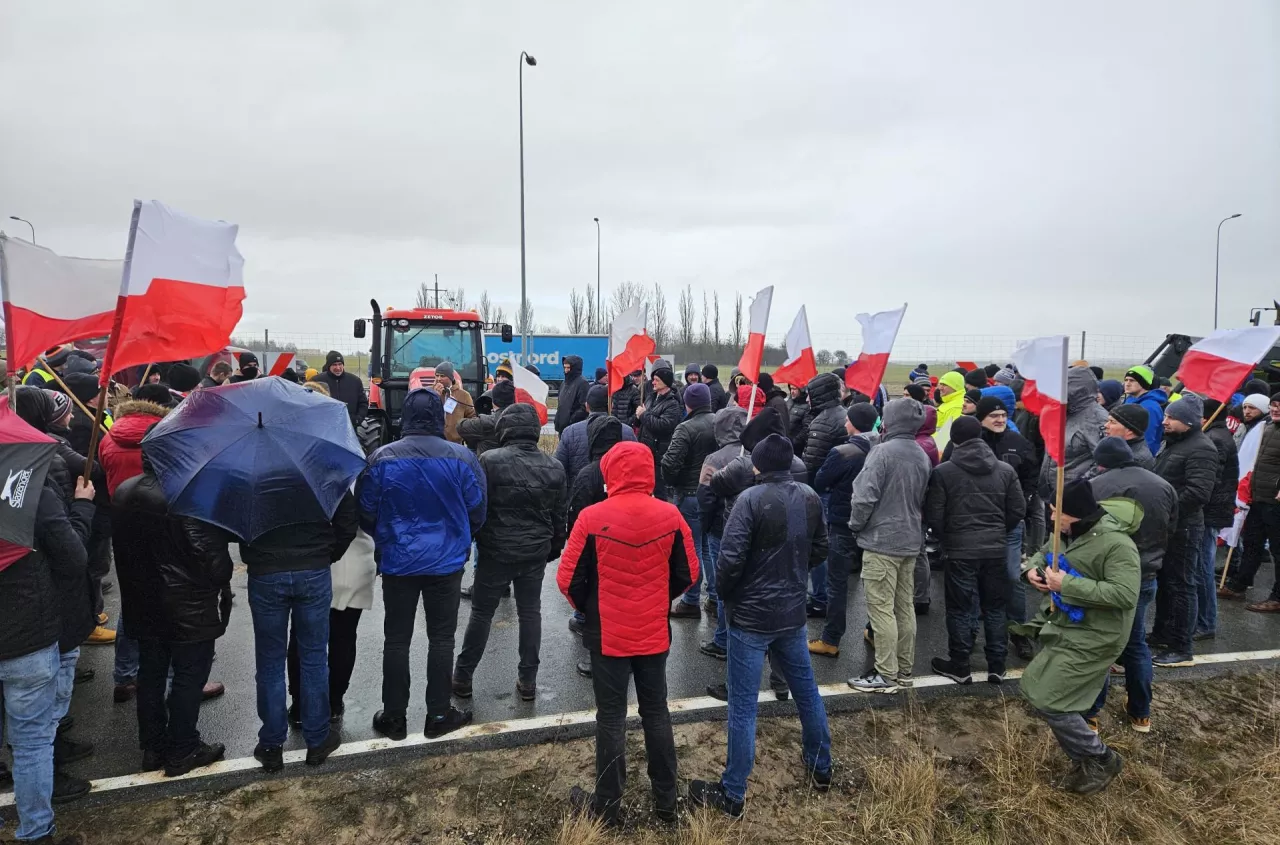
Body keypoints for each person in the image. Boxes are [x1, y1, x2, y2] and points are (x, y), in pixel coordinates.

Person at [688, 434, 831, 819]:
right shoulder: (808, 496)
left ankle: (733, 792)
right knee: (806, 691)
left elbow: (729, 562)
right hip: (791, 614)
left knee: (742, 705)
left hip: (750, 619)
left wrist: (727, 597)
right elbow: (820, 548)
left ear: (757, 466)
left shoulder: (750, 500)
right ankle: (821, 766)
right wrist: (794, 577)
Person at [559, 441, 698, 827]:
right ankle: (666, 802)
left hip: (608, 635)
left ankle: (607, 808)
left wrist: (591, 609)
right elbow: (689, 572)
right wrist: (659, 598)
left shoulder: (591, 517)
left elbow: (568, 579)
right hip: (653, 631)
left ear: (610, 473)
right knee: (656, 711)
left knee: (611, 717)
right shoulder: (670, 516)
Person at [359, 388, 486, 742]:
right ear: (438, 417)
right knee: (442, 638)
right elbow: (478, 509)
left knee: (396, 639)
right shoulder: (461, 459)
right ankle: (439, 713)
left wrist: (387, 538)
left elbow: (366, 510)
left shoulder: (381, 458)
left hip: (399, 561)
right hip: (445, 562)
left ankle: (395, 717)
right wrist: (460, 537)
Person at [1016, 479, 1140, 795]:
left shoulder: (1117, 545)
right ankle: (1086, 758)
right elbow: (1047, 552)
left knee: (1050, 700)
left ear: (1077, 513)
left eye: (1058, 512)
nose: (1053, 518)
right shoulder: (1070, 532)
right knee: (1035, 687)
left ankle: (1101, 759)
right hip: (1067, 627)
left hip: (1097, 636)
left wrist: (1066, 585)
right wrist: (1033, 568)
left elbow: (1125, 594)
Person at [112, 455, 233, 777]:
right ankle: (183, 748)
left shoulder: (124, 490)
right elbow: (215, 565)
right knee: (188, 677)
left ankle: (153, 746)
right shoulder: (190, 497)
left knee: (151, 675)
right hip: (187, 607)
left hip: (142, 602)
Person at [0, 468, 96, 841]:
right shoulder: (27, 486)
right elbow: (73, 556)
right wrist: (82, 508)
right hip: (27, 632)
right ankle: (37, 831)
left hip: (27, 630)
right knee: (32, 742)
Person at [241, 479, 357, 772]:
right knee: (314, 657)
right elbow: (347, 521)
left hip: (266, 570)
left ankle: (270, 743)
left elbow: (234, 524)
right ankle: (317, 739)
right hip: (313, 568)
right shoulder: (320, 469)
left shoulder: (249, 474)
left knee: (269, 661)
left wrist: (252, 553)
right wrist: (327, 554)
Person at [453, 404, 566, 701]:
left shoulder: (488, 460)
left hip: (495, 551)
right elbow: (559, 517)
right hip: (534, 552)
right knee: (530, 614)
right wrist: (551, 549)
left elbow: (476, 507)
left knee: (481, 614)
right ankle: (527, 680)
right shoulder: (554, 466)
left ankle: (463, 677)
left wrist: (478, 539)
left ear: (505, 429)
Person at [1086, 437, 1177, 733]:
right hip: (1146, 574)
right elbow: (1171, 526)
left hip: (1109, 576)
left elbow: (1086, 532)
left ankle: (1090, 713)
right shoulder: (1162, 485)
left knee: (1103, 643)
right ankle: (1140, 713)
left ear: (1102, 461)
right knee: (1135, 643)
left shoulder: (1097, 485)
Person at [926, 416, 1024, 685]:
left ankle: (960, 664)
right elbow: (1017, 510)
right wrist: (997, 532)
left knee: (959, 608)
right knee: (995, 607)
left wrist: (949, 538)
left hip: (960, 550)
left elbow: (935, 514)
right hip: (995, 548)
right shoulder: (1005, 470)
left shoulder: (944, 472)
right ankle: (997, 665)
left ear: (955, 440)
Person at [848, 398, 932, 694]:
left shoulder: (881, 452)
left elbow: (864, 496)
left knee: (881, 609)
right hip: (910, 540)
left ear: (890, 420)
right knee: (903, 607)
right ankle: (904, 671)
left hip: (882, 542)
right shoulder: (921, 454)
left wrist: (855, 525)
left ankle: (885, 674)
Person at [96, 397, 171, 703]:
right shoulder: (163, 434)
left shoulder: (107, 437)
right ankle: (173, 679)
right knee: (170, 601)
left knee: (131, 600)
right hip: (161, 519)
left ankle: (125, 675)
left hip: (122, 522)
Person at [286, 516, 376, 728]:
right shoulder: (358, 481)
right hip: (355, 558)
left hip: (310, 559)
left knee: (301, 637)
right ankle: (334, 701)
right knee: (344, 637)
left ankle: (301, 704)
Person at [1149, 394, 1219, 668]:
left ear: (1187, 422)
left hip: (1184, 527)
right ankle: (1163, 633)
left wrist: (1165, 510)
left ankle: (1181, 645)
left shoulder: (1202, 448)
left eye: (1171, 417)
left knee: (1182, 586)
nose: (1165, 421)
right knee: (1166, 583)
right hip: (1168, 525)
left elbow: (1198, 492)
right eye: (1166, 416)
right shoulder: (1175, 443)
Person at [809, 403, 879, 656]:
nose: (844, 423)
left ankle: (831, 639)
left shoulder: (843, 452)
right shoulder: (881, 449)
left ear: (854, 423)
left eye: (848, 419)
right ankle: (874, 631)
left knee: (837, 583)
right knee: (874, 581)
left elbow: (820, 480)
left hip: (843, 520)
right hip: (874, 522)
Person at [662, 382, 717, 618]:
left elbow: (670, 463)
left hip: (690, 494)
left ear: (688, 403)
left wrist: (672, 483)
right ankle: (715, 598)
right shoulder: (720, 422)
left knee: (692, 549)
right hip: (714, 493)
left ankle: (692, 600)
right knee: (708, 548)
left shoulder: (685, 428)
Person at [1221, 392, 1280, 610]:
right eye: (1273, 405)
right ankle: (1238, 585)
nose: (1275, 409)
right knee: (1252, 544)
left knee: (1277, 550)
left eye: (1279, 405)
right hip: (1257, 498)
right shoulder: (1267, 429)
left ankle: (1277, 597)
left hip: (1276, 501)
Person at [696, 405, 750, 627]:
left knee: (722, 582)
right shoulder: (755, 453)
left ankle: (721, 637)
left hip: (720, 527)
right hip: (749, 528)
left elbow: (705, 496)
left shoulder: (714, 459)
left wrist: (706, 525)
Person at [1196, 398, 1238, 640]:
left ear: (1205, 416)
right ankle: (1201, 620)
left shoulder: (1216, 439)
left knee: (1202, 569)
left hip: (1208, 514)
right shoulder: (1215, 434)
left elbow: (1211, 480)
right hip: (1209, 512)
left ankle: (1206, 622)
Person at [1039, 367, 1110, 500]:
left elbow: (1104, 462)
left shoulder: (1098, 419)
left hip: (1075, 498)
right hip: (1052, 494)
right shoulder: (1062, 413)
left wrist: (1078, 486)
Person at [553, 384, 636, 484]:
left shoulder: (570, 432)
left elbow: (559, 469)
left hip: (580, 492)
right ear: (611, 405)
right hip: (616, 492)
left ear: (587, 406)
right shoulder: (627, 431)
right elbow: (635, 466)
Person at [631, 364, 682, 499]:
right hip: (646, 450)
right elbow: (644, 419)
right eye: (653, 379)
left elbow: (663, 426)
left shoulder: (672, 404)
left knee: (660, 491)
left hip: (659, 454)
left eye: (657, 380)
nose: (653, 382)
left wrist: (643, 415)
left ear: (666, 383)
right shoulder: (651, 397)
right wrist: (637, 418)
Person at [458, 380, 516, 456]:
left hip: (487, 465)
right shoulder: (525, 419)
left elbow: (460, 426)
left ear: (493, 402)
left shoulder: (485, 422)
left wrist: (478, 417)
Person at [1121, 365, 1168, 456]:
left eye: (1132, 380)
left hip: (1140, 457)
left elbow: (1147, 439)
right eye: (1126, 380)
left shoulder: (1149, 407)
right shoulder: (1129, 400)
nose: (1127, 384)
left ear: (1144, 383)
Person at [311, 351, 367, 427]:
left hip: (350, 426)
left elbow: (363, 403)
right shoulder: (316, 381)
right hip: (324, 427)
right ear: (328, 366)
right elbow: (310, 403)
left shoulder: (355, 381)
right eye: (334, 365)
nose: (338, 368)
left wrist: (358, 419)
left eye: (340, 364)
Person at [432, 362, 477, 445]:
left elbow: (472, 418)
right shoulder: (429, 392)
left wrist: (461, 432)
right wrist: (434, 396)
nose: (438, 379)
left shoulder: (464, 395)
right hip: (434, 442)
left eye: (442, 376)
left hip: (455, 443)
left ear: (451, 378)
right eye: (437, 375)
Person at [1105, 404, 1156, 469]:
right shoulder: (1117, 446)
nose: (1106, 425)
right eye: (1108, 421)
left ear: (1129, 431)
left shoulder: (1134, 460)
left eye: (1112, 422)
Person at [554, 354, 591, 434]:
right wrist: (558, 420)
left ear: (575, 368)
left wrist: (570, 420)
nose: (566, 370)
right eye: (565, 367)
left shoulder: (582, 383)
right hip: (562, 428)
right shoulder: (564, 383)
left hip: (575, 428)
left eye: (568, 368)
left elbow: (584, 407)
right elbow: (560, 405)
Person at [933, 370, 966, 447]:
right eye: (940, 384)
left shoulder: (957, 406)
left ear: (955, 387)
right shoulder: (948, 401)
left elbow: (950, 435)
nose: (940, 388)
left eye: (944, 385)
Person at [787, 383, 812, 456]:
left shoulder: (807, 406)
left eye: (794, 389)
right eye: (791, 388)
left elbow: (806, 428)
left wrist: (794, 442)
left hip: (796, 448)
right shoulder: (789, 401)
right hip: (785, 442)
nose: (792, 391)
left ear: (802, 390)